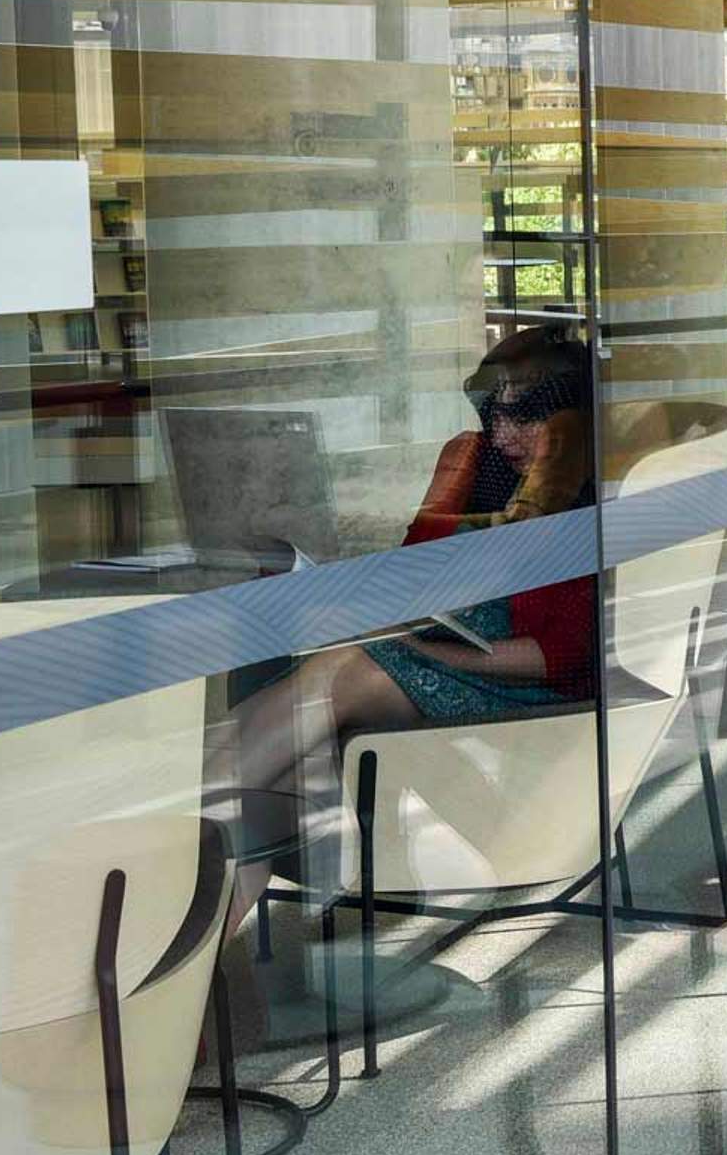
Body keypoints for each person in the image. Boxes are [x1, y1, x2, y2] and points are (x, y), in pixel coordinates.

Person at [226, 326, 600, 807]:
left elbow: (561, 657)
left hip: (517, 688)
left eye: (525, 419)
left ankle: (190, 828)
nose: (502, 434)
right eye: (496, 412)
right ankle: (223, 853)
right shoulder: (479, 464)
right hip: (425, 650)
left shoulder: (584, 500)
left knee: (341, 678)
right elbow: (412, 565)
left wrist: (431, 654)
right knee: (285, 720)